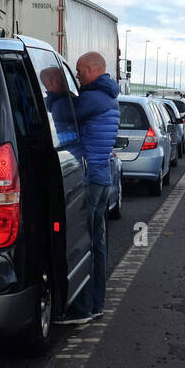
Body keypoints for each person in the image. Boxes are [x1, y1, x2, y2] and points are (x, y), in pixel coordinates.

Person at [55, 51, 121, 324]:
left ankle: (82, 308)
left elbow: (63, 114)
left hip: (91, 178)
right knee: (97, 243)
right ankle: (96, 304)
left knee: (85, 244)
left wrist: (55, 92)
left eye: (81, 70)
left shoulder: (92, 99)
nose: (78, 76)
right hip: (101, 176)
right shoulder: (105, 96)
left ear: (94, 69)